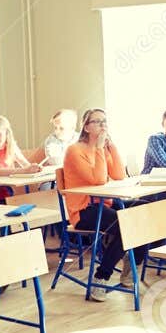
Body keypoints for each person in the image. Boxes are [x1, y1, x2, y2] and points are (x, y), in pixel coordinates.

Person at [62, 108, 141, 298]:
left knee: (141, 212)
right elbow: (97, 180)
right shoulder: (75, 150)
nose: (103, 125)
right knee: (126, 225)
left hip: (104, 204)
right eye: (97, 122)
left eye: (105, 121)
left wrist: (110, 147)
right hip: (83, 210)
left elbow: (119, 175)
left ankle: (130, 269)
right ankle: (101, 278)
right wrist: (98, 148)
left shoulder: (103, 148)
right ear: (86, 127)